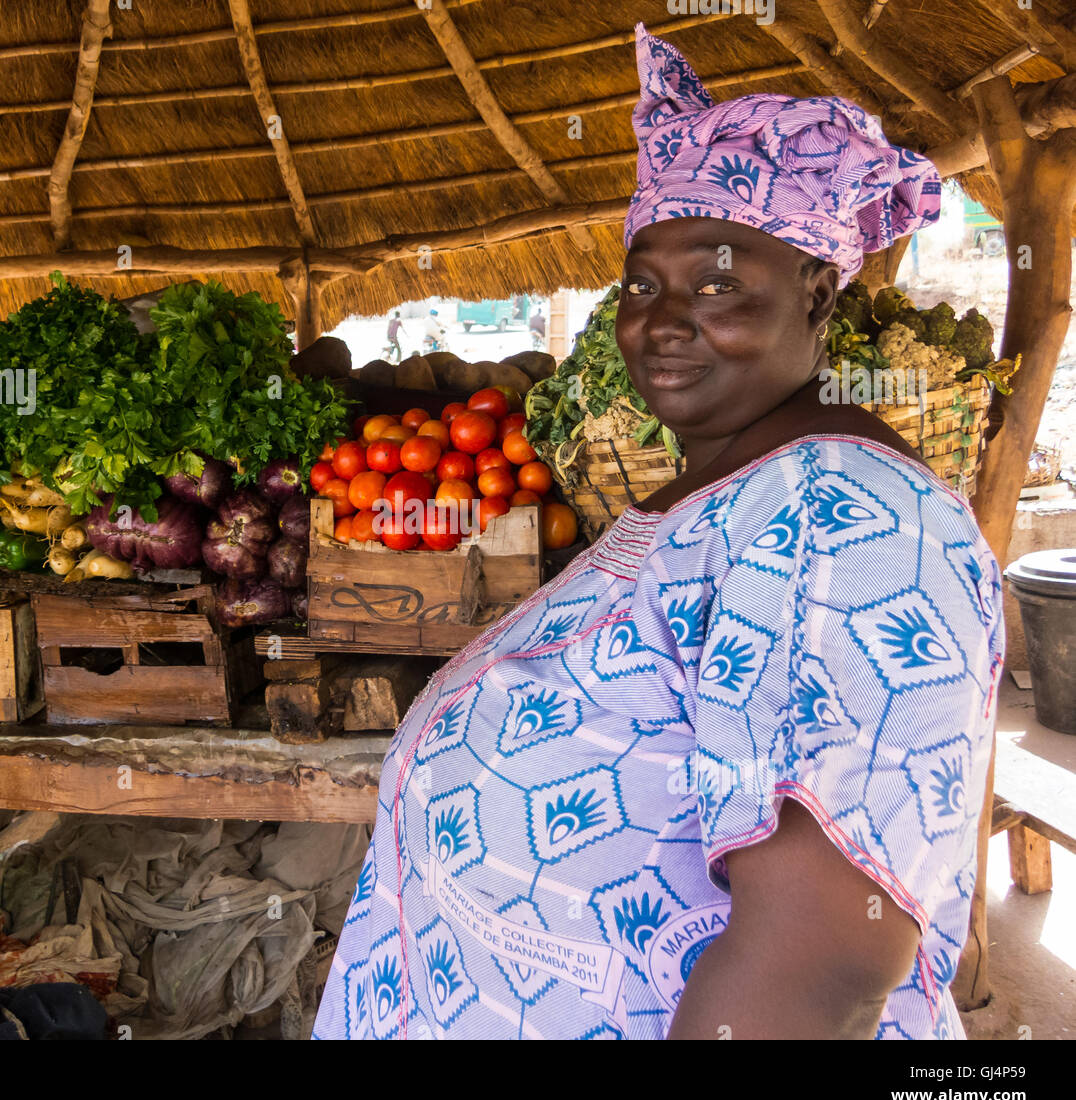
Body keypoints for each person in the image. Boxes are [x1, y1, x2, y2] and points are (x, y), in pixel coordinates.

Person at [313, 24, 1003, 1041]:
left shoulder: (849, 522)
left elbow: (824, 964)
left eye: (717, 282)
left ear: (817, 292)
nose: (663, 319)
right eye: (644, 283)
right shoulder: (716, 491)